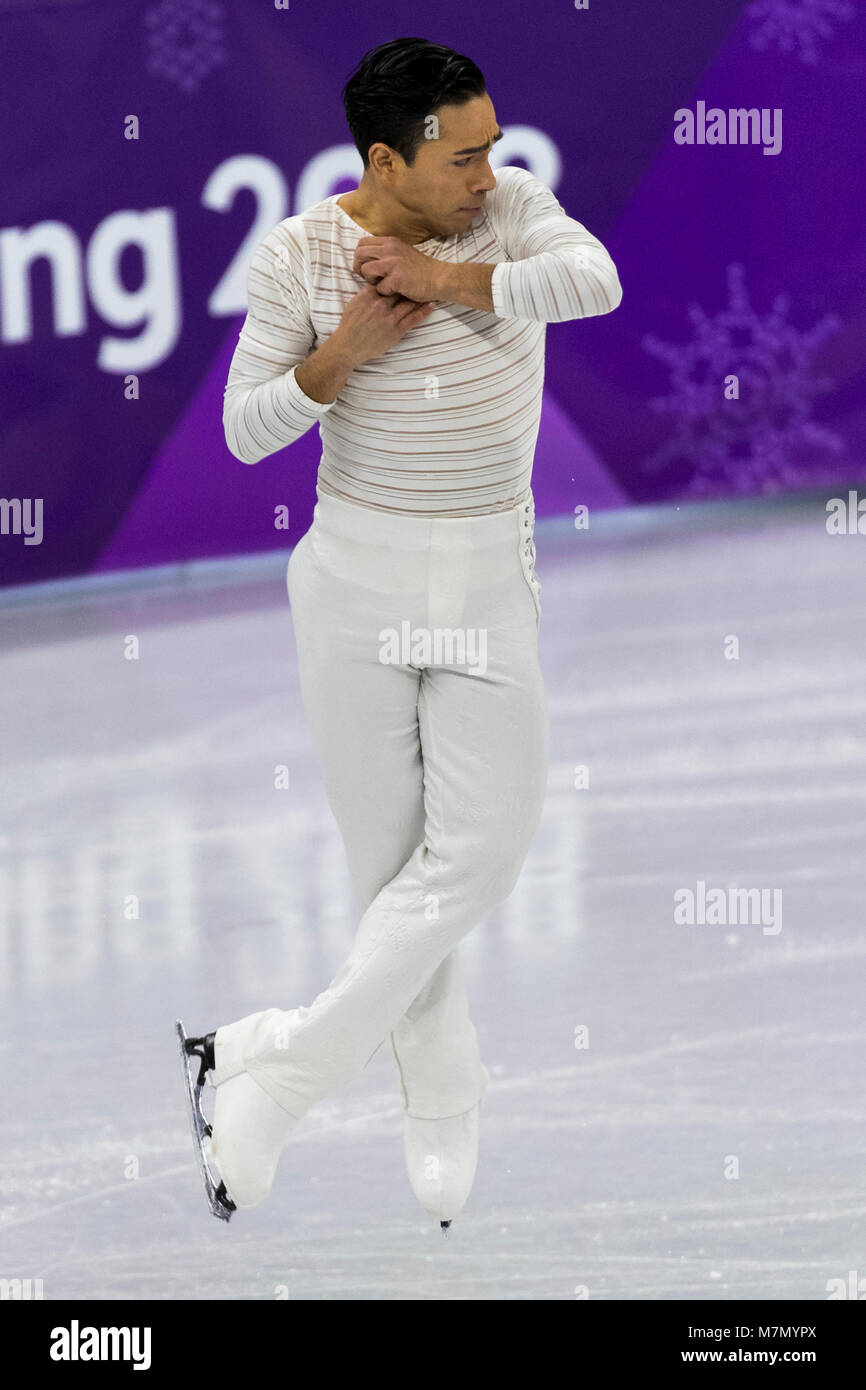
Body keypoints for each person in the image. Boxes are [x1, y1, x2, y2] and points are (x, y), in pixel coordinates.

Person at [178, 36, 623, 1231]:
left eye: (492, 146)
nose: (489, 172)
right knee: (392, 878)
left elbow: (594, 283)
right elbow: (245, 431)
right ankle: (437, 1098)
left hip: (483, 580)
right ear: (386, 158)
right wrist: (341, 356)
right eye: (462, 154)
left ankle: (273, 1065)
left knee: (479, 851)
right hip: (353, 587)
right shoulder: (300, 254)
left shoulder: (511, 212)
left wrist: (445, 283)